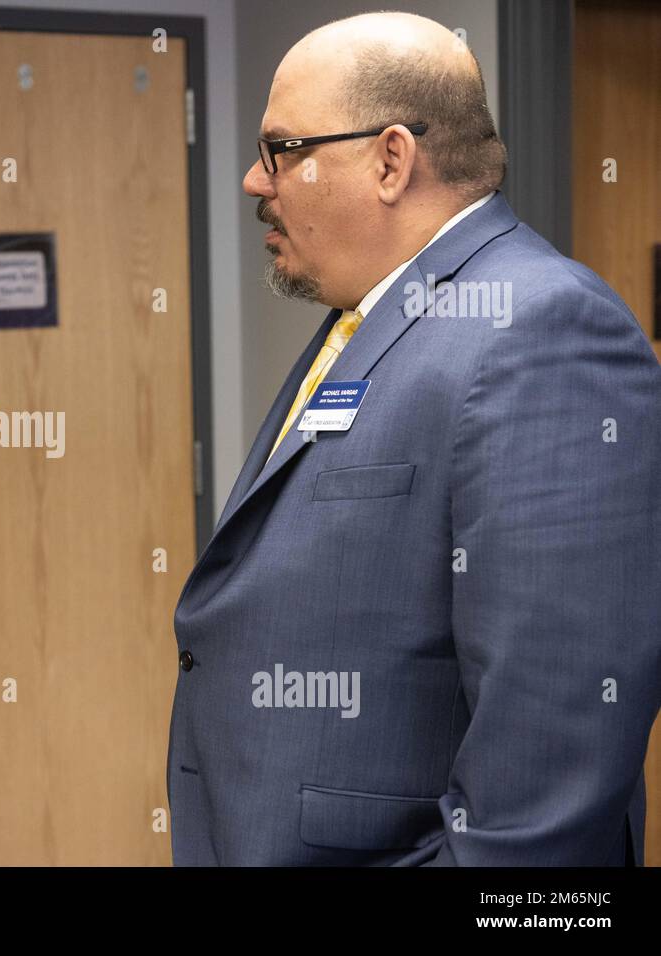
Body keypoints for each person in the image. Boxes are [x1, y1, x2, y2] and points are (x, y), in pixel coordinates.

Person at [169, 12, 661, 865]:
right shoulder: (371, 318)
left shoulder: (541, 329)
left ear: (391, 159)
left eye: (282, 148)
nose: (255, 180)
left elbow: (554, 750)